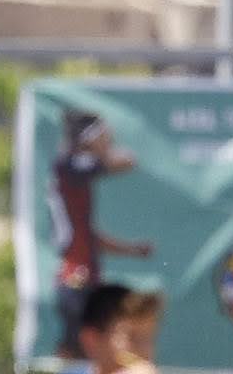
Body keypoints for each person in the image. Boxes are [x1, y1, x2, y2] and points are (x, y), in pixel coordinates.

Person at [41, 106, 152, 358]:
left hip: (85, 279)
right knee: (83, 351)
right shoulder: (69, 165)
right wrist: (100, 144)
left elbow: (88, 235)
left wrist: (131, 250)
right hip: (75, 280)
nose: (108, 140)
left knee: (95, 352)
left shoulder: (74, 171)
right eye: (102, 135)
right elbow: (123, 161)